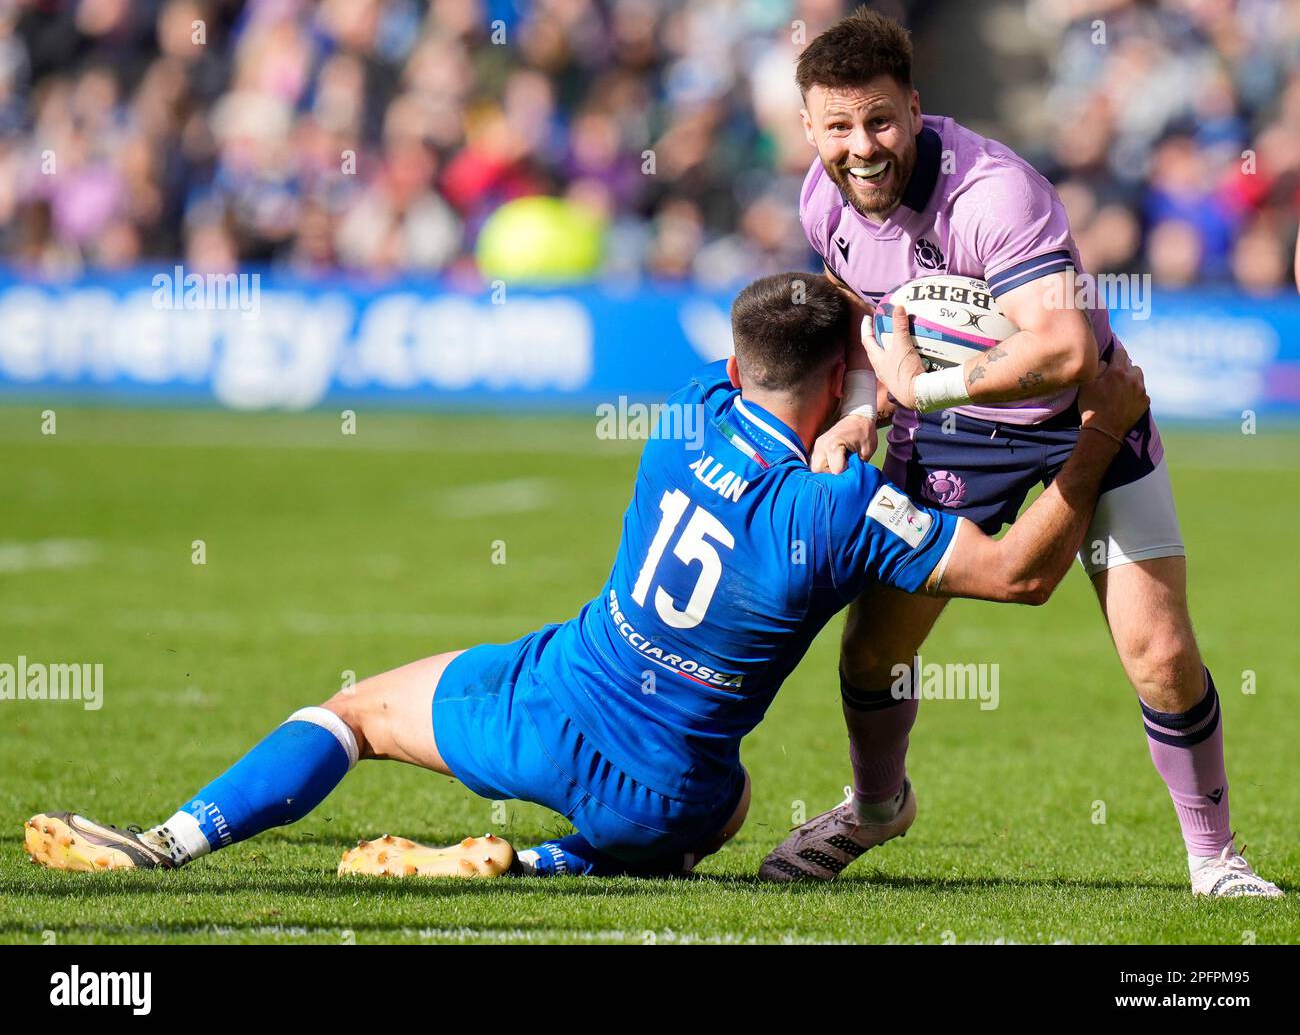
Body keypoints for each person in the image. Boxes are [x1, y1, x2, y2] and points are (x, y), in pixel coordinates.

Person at [26, 273, 1150, 881]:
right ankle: (535, 862)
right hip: (670, 790)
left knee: (355, 709)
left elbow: (782, 392)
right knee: (736, 804)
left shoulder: (681, 411)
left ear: (737, 363)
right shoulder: (846, 509)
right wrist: (1090, 435)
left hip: (554, 699)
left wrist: (855, 392)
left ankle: (170, 841)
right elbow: (1013, 574)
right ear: (841, 376)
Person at [763, 7, 1280, 897]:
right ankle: (878, 809)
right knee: (870, 653)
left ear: (915, 108)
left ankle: (1215, 858)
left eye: (880, 120)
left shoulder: (994, 193)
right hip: (954, 432)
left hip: (1085, 416)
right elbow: (861, 315)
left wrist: (913, 393)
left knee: (1160, 653)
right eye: (839, 127)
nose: (862, 147)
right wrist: (858, 407)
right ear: (809, 127)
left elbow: (1064, 350)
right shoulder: (823, 195)